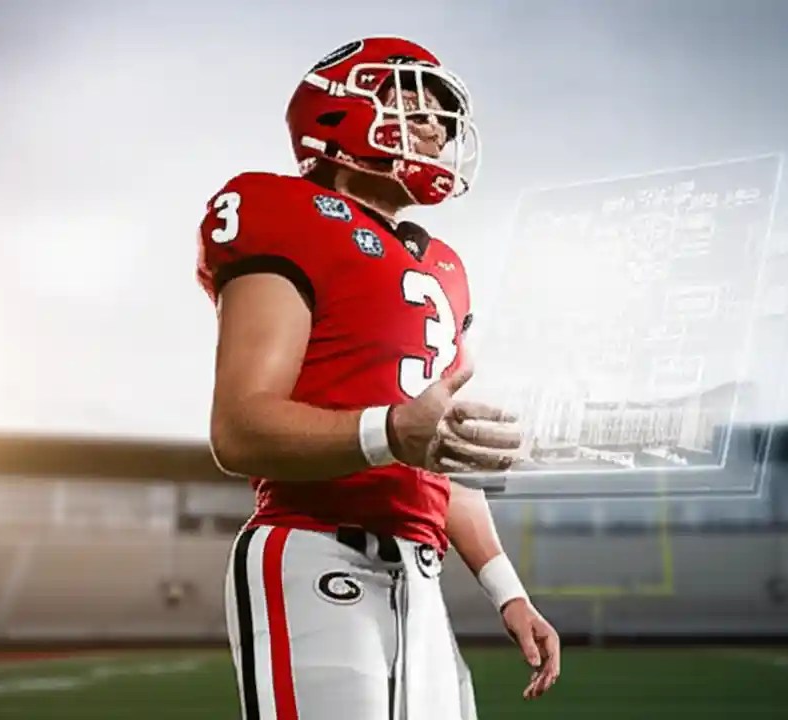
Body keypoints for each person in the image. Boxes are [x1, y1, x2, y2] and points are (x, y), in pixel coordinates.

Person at [195, 36, 561, 719]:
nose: (437, 128)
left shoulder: (445, 267)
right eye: (416, 104)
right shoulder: (281, 210)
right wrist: (392, 429)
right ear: (337, 110)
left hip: (420, 580)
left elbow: (434, 458)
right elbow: (239, 427)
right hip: (314, 550)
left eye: (445, 118)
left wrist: (507, 590)